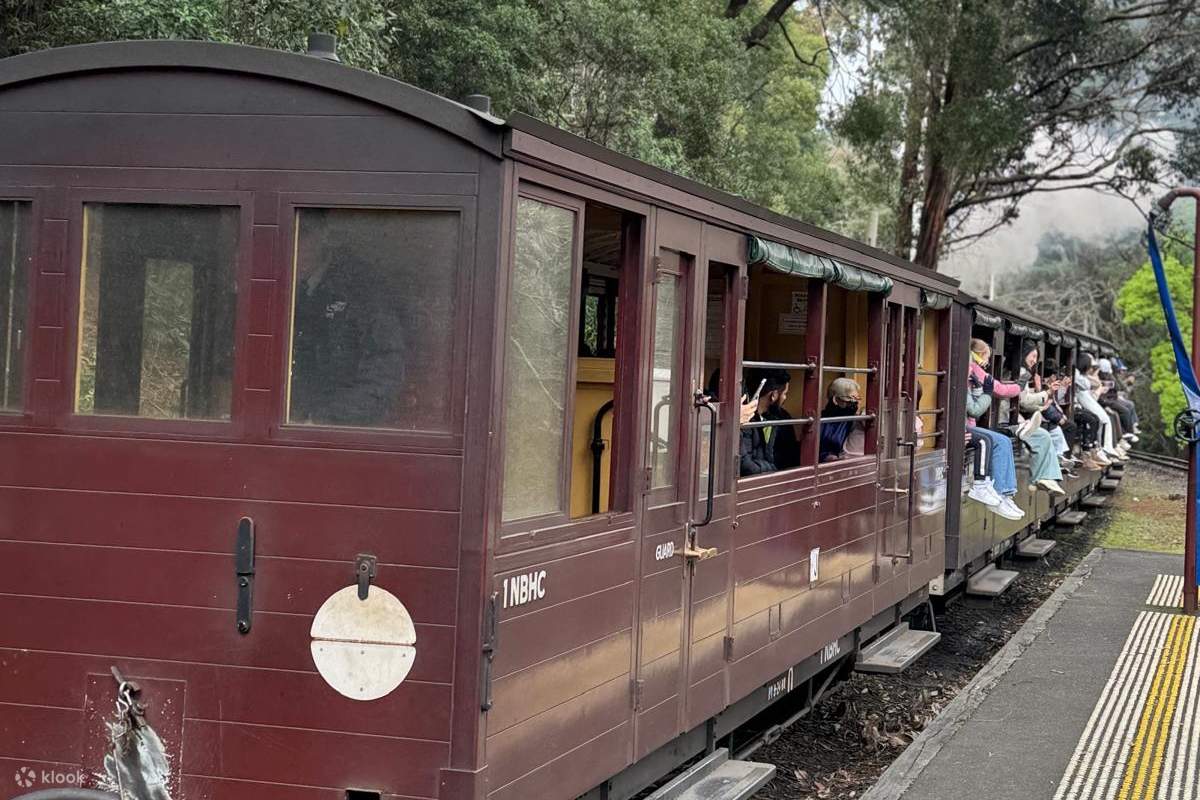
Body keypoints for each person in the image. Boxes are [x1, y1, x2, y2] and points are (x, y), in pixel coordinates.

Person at [965, 340, 1025, 520]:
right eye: (987, 357)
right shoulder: (972, 368)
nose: (987, 362)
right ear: (979, 354)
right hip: (967, 424)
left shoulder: (970, 369)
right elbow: (998, 390)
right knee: (992, 441)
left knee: (1004, 440)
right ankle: (996, 491)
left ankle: (1005, 494)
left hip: (969, 422)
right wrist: (1019, 387)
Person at [1013, 341, 1066, 495]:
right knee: (1043, 436)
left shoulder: (1019, 370)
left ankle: (1046, 478)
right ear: (1024, 355)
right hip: (1008, 417)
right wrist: (1046, 393)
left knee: (1044, 435)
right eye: (1033, 356)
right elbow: (1024, 401)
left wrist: (1041, 405)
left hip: (1013, 414)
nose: (1035, 360)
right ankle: (1042, 478)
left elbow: (1023, 401)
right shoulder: (1023, 372)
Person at [739, 370, 795, 476]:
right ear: (773, 395)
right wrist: (772, 467)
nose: (785, 398)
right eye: (785, 394)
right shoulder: (746, 420)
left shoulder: (782, 418)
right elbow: (746, 466)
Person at [820, 378, 863, 462]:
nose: (854, 403)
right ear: (835, 399)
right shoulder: (821, 420)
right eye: (850, 399)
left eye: (857, 398)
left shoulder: (856, 419)